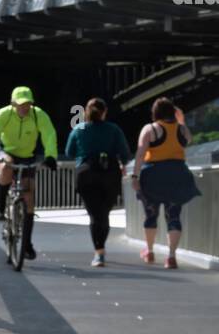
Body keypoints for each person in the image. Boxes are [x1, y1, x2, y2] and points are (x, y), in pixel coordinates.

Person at [0, 86, 58, 260]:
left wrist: (51, 156)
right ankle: (0, 207)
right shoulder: (3, 114)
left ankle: (26, 243)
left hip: (27, 156)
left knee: (29, 197)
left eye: (28, 104)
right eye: (21, 105)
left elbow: (49, 134)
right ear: (13, 104)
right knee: (6, 166)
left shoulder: (39, 115)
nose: (25, 108)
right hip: (7, 151)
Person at [131, 98, 200, 269]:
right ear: (173, 112)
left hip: (153, 176)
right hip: (177, 175)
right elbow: (189, 140)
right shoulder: (181, 129)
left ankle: (150, 251)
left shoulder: (150, 129)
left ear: (155, 112)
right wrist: (181, 120)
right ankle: (171, 256)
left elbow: (140, 153)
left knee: (151, 215)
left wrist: (135, 176)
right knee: (174, 216)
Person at [65, 99, 130, 267]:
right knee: (104, 213)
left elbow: (69, 151)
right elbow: (125, 153)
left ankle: (99, 252)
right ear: (104, 112)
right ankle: (100, 250)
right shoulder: (114, 130)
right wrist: (122, 163)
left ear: (86, 111)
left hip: (86, 174)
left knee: (94, 216)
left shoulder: (79, 129)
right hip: (110, 174)